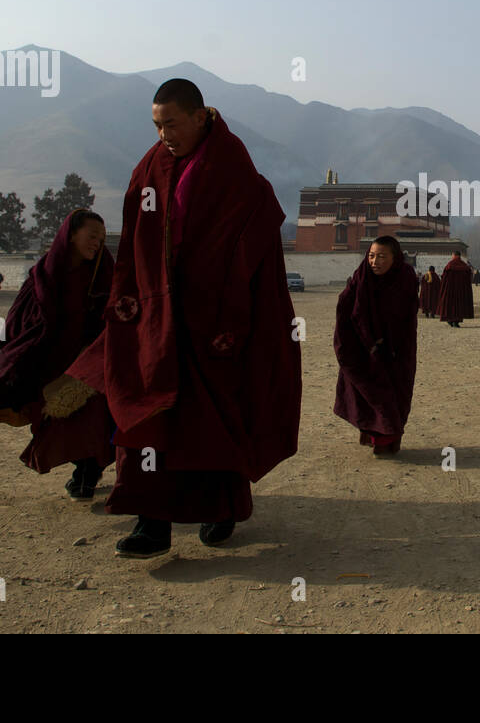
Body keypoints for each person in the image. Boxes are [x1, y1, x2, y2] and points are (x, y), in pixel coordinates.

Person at [50, 78, 302, 559]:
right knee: (148, 415)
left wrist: (237, 315)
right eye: (157, 124)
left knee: (211, 424)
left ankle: (221, 506)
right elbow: (134, 243)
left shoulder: (235, 172)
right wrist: (130, 300)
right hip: (157, 316)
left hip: (215, 325)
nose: (164, 134)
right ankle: (153, 523)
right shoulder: (151, 166)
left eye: (172, 123)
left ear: (201, 115)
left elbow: (257, 246)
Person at [0, 210, 116, 500]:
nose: (97, 244)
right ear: (71, 235)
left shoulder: (103, 272)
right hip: (47, 360)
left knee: (93, 420)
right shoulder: (45, 273)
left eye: (101, 239)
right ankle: (83, 470)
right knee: (54, 421)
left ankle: (87, 472)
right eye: (92, 236)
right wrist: (16, 353)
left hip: (89, 362)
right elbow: (18, 316)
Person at [333, 236, 419, 456]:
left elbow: (406, 314)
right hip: (364, 349)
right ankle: (379, 438)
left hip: (396, 349)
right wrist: (366, 339)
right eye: (371, 256)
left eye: (382, 256)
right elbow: (346, 309)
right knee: (371, 395)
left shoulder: (405, 278)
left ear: (395, 258)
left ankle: (389, 438)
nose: (375, 262)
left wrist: (388, 341)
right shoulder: (360, 278)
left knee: (394, 394)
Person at [436, 251, 474, 327]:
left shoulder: (449, 265)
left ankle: (451, 320)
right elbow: (469, 278)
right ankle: (456, 322)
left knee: (450, 305)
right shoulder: (464, 266)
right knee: (459, 305)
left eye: (452, 255)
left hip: (450, 290)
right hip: (461, 290)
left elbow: (444, 277)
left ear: (454, 255)